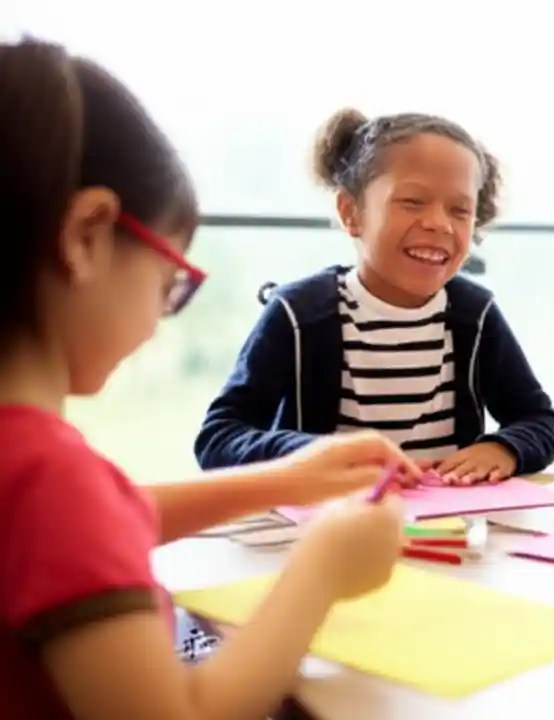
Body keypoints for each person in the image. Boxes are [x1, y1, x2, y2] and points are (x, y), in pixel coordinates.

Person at [0, 38, 414, 719]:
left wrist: (290, 478)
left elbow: (105, 517)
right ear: (86, 237)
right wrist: (320, 570)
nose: (162, 315)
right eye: (170, 282)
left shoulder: (30, 472)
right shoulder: (50, 479)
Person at [196, 108, 554, 484]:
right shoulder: (297, 314)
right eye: (413, 202)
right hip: (327, 530)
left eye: (460, 210)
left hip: (448, 531)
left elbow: (539, 420)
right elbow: (219, 438)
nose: (439, 223)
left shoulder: (476, 315)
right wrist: (310, 455)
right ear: (351, 212)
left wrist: (503, 447)